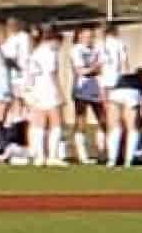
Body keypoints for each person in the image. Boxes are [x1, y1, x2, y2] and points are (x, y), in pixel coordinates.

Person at [27, 24, 66, 167]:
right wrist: (60, 92)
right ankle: (52, 156)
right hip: (49, 88)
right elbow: (52, 73)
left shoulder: (35, 52)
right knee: (56, 123)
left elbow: (30, 75)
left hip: (36, 89)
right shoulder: (50, 52)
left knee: (39, 124)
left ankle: (40, 156)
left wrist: (30, 91)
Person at [69, 25, 104, 164]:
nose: (90, 39)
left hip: (95, 87)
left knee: (104, 120)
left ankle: (102, 152)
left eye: (92, 36)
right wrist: (94, 68)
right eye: (87, 36)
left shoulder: (96, 49)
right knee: (81, 121)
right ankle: (82, 155)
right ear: (80, 36)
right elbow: (80, 70)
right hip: (82, 88)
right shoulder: (76, 50)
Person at [106, 67, 142, 168]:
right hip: (132, 94)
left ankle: (111, 160)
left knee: (116, 128)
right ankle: (128, 161)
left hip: (116, 93)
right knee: (133, 129)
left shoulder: (123, 77)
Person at [98, 23, 128, 161]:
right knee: (119, 119)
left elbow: (99, 67)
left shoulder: (100, 44)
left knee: (109, 119)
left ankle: (109, 154)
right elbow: (125, 65)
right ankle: (116, 153)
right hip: (118, 83)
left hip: (105, 85)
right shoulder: (120, 43)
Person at [2, 17, 32, 121]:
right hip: (21, 74)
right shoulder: (23, 37)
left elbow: (10, 58)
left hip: (18, 74)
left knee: (18, 100)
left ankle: (18, 123)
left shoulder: (17, 38)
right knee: (19, 101)